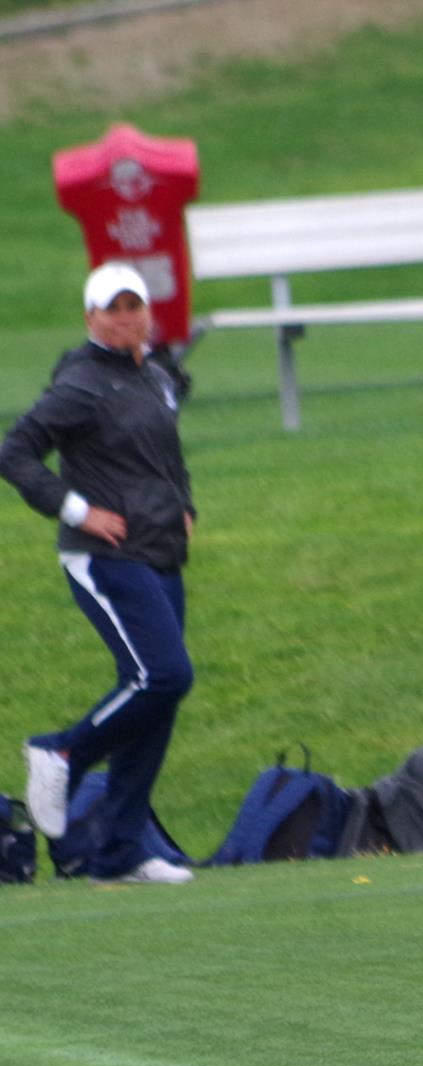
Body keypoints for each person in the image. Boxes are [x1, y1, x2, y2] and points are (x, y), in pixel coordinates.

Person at [1, 263, 198, 885]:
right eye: (113, 308)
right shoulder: (82, 383)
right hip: (104, 556)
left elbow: (166, 454)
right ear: (91, 318)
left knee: (154, 703)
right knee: (164, 676)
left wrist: (185, 505)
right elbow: (15, 451)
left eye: (134, 306)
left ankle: (119, 853)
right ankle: (62, 752)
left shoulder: (155, 374)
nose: (126, 318)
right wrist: (75, 509)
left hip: (160, 550)